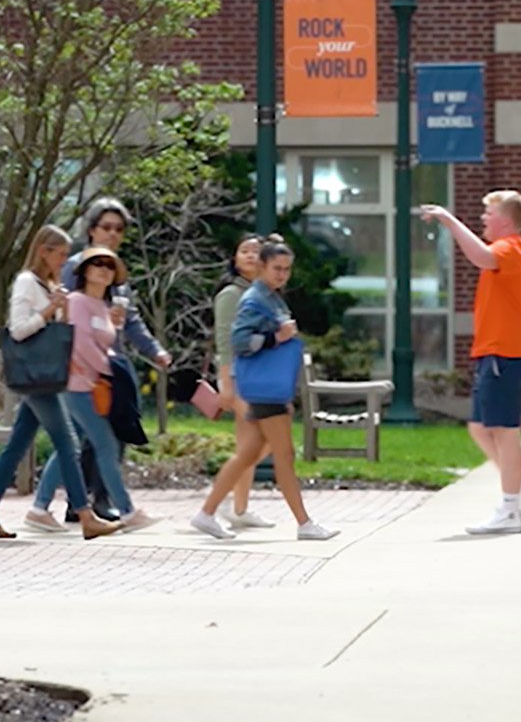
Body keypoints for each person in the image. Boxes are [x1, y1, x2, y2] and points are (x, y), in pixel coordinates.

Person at [0, 225, 122, 540]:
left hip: (43, 377)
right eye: (60, 254)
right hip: (35, 376)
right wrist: (50, 309)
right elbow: (18, 330)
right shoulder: (27, 282)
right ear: (43, 250)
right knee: (68, 442)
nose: (64, 261)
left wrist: (61, 310)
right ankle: (85, 515)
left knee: (16, 445)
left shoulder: (51, 284)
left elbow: (58, 331)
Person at [190, 241, 337, 542]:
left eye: (286, 269)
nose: (282, 274)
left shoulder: (269, 297)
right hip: (263, 388)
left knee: (248, 454)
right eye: (276, 268)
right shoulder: (255, 299)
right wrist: (275, 338)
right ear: (263, 267)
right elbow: (239, 340)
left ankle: (206, 513)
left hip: (269, 388)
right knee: (283, 454)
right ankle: (304, 523)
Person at [421, 192, 521, 535]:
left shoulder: (512, 248)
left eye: (488, 213)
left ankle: (510, 509)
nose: (483, 219)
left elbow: (482, 256)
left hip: (506, 354)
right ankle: (520, 495)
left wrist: (449, 220)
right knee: (479, 426)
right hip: (494, 353)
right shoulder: (513, 250)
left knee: (505, 431)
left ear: (505, 219)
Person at [59, 197, 169, 522]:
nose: (112, 234)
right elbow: (68, 312)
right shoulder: (76, 266)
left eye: (118, 229)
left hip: (110, 361)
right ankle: (86, 502)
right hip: (82, 365)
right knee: (92, 436)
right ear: (91, 229)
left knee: (113, 430)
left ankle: (91, 500)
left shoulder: (115, 272)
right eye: (106, 227)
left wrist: (154, 350)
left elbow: (131, 320)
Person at [45, 245, 158, 532]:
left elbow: (104, 343)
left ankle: (38, 507)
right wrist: (110, 372)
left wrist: (115, 330)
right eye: (97, 264)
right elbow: (81, 343)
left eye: (109, 265)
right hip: (80, 385)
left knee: (68, 447)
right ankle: (128, 512)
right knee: (106, 444)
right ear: (84, 271)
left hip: (94, 385)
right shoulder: (79, 301)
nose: (103, 269)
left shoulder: (104, 306)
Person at [210, 233, 275, 529]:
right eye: (244, 250)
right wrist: (225, 380)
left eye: (256, 251)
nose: (250, 255)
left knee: (250, 441)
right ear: (234, 259)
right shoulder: (231, 295)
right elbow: (224, 340)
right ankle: (225, 499)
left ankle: (238, 508)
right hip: (239, 376)